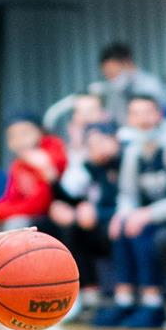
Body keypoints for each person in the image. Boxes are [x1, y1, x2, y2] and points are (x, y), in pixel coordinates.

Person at [94, 95, 166, 330]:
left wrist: (148, 214)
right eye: (135, 113)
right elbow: (127, 194)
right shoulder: (134, 152)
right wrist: (123, 214)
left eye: (147, 112)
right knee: (122, 226)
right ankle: (125, 300)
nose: (142, 119)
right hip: (152, 216)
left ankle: (153, 304)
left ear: (158, 115)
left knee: (141, 229)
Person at [48, 117, 121, 298]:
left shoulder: (126, 160)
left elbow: (132, 199)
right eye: (91, 144)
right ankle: (85, 293)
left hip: (122, 218)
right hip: (97, 222)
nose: (97, 148)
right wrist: (62, 206)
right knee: (69, 226)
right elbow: (69, 193)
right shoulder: (89, 166)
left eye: (101, 141)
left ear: (114, 140)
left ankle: (126, 297)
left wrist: (97, 213)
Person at [0, 115, 65, 228]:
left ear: (40, 132)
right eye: (12, 136)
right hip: (33, 215)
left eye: (24, 133)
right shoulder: (18, 164)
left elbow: (39, 205)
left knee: (16, 222)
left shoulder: (50, 152)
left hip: (54, 218)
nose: (19, 140)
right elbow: (11, 198)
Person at [92, 42, 166, 120]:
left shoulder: (151, 84)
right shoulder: (113, 90)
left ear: (127, 63)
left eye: (113, 74)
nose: (111, 79)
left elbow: (162, 111)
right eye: (107, 75)